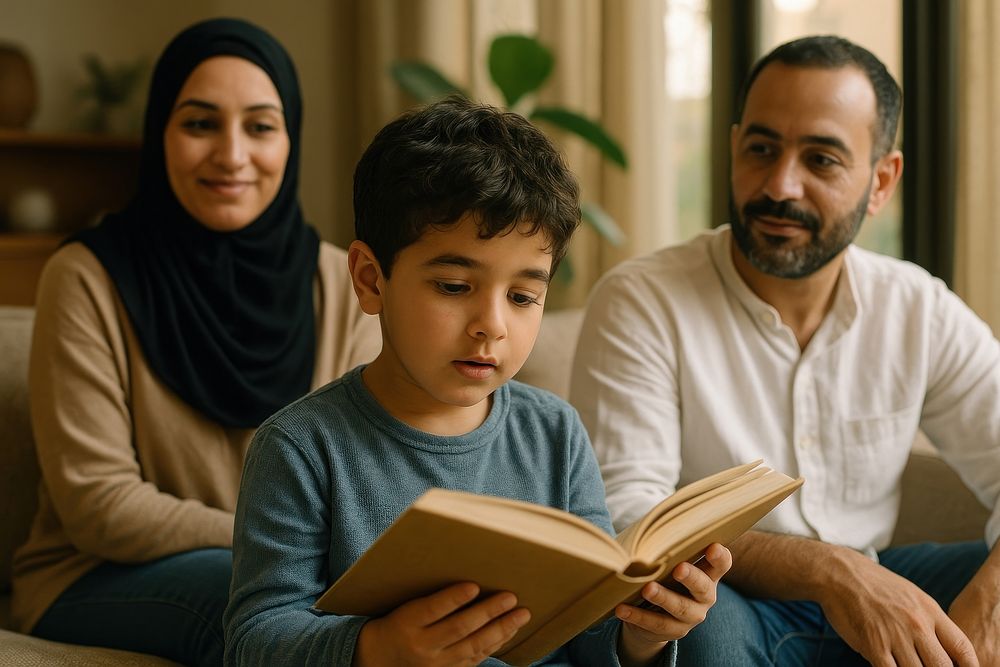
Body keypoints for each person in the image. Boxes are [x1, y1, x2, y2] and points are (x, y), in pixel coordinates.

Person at [223, 96, 732, 666]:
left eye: (523, 297)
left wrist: (645, 631)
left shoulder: (556, 434)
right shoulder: (300, 447)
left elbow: (586, 633)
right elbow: (254, 640)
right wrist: (377, 649)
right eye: (453, 287)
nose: (492, 326)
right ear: (370, 280)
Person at [570, 33, 1000, 666]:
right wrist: (831, 571)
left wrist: (985, 620)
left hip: (881, 591)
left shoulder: (919, 309)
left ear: (881, 182)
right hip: (733, 603)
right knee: (685, 626)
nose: (780, 186)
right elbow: (630, 518)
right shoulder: (643, 299)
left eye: (821, 160)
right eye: (761, 149)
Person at [10, 17, 380, 666]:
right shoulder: (87, 276)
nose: (232, 155)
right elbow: (99, 504)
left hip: (298, 568)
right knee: (266, 616)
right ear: (160, 134)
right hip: (93, 574)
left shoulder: (338, 280)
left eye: (260, 126)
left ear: (290, 138)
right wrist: (278, 543)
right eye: (200, 123)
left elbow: (361, 474)